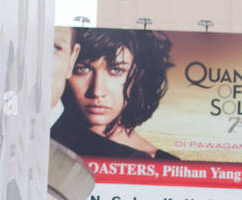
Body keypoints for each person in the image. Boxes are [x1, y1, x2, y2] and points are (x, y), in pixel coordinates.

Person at [52, 27, 178, 162]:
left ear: (140, 76)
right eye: (82, 69)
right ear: (69, 66)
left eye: (116, 70)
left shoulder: (166, 163)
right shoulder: (49, 141)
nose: (97, 91)